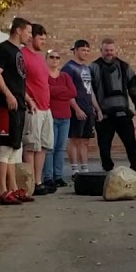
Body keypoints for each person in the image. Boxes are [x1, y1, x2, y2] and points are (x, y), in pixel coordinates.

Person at [0, 17, 33, 205]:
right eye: (28, 32)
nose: (30, 36)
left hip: (18, 105)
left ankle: (13, 188)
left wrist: (27, 98)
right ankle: (3, 190)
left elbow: (18, 80)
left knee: (15, 148)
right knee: (5, 147)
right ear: (18, 31)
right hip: (5, 106)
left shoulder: (18, 52)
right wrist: (7, 94)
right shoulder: (1, 50)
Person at [88, 38, 136, 173]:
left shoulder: (125, 67)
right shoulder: (93, 67)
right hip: (103, 114)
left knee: (130, 141)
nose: (109, 53)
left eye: (111, 50)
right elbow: (89, 90)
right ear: (101, 51)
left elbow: (134, 86)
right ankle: (107, 169)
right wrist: (94, 110)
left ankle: (135, 167)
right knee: (104, 144)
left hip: (123, 113)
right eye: (106, 50)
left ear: (116, 50)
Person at [21, 23, 54, 195]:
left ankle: (38, 181)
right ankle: (30, 184)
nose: (43, 42)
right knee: (31, 146)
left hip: (45, 108)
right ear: (31, 37)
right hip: (32, 108)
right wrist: (28, 100)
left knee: (43, 146)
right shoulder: (23, 56)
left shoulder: (40, 58)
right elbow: (18, 83)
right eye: (40, 38)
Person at [44, 49, 80, 188]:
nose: (54, 59)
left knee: (60, 148)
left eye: (57, 57)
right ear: (46, 59)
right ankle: (48, 177)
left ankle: (58, 176)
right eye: (51, 57)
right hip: (51, 116)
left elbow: (73, 92)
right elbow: (46, 91)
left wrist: (55, 91)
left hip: (65, 117)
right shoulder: (44, 76)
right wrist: (62, 90)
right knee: (49, 148)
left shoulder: (65, 76)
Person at [62, 39, 97, 177]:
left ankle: (85, 170)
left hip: (88, 109)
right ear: (75, 50)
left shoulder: (86, 68)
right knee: (75, 139)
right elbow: (67, 90)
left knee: (85, 140)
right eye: (83, 50)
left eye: (88, 50)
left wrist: (97, 108)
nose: (86, 53)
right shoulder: (69, 68)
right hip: (76, 109)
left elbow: (90, 90)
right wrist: (76, 108)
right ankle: (74, 170)